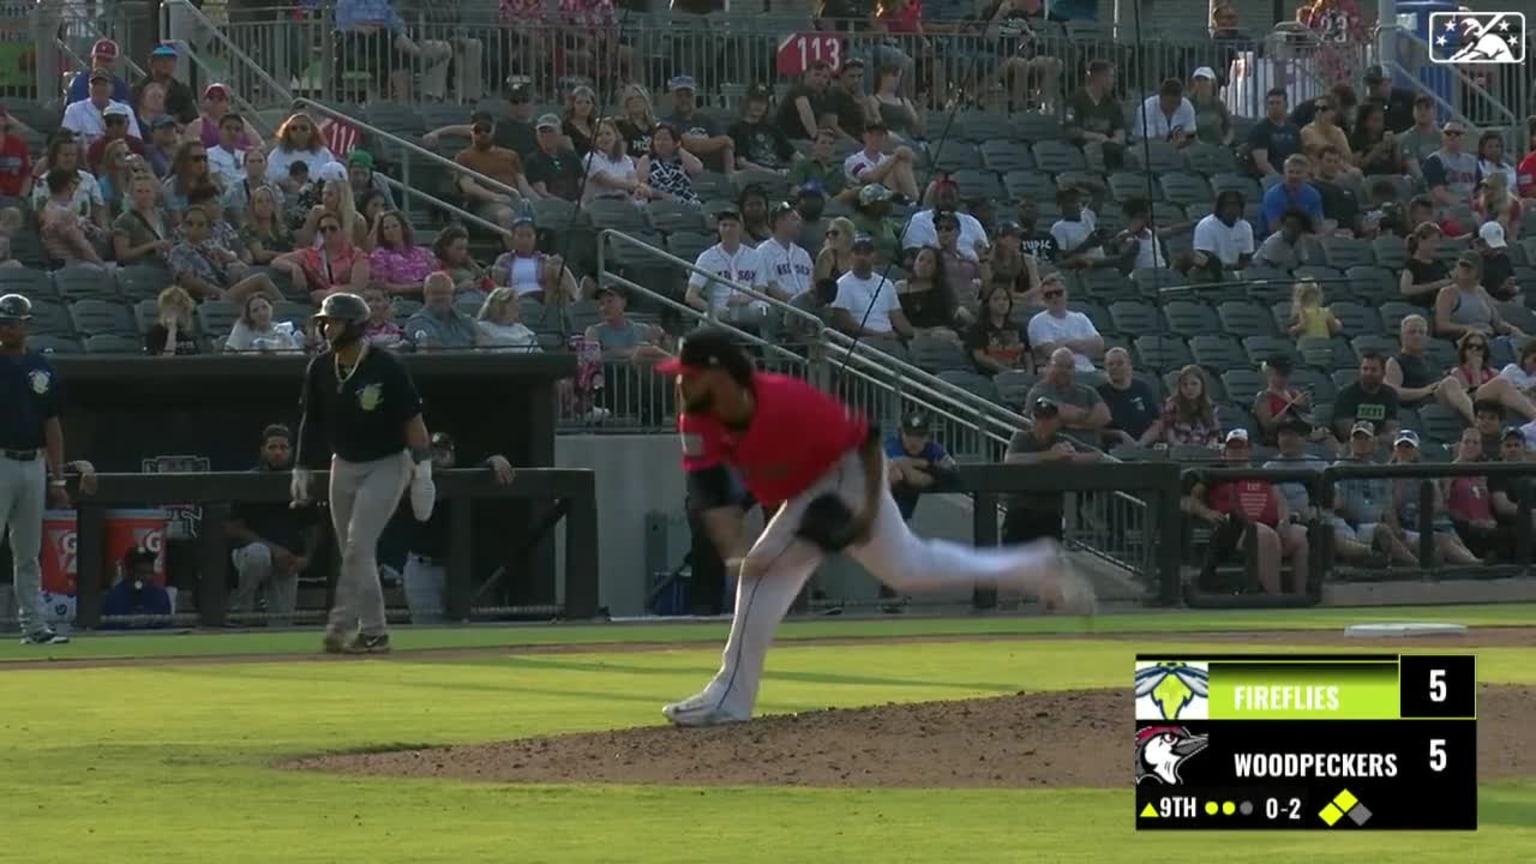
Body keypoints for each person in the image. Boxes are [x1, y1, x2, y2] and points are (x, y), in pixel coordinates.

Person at [658, 330, 1094, 726]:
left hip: (849, 470)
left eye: (690, 375)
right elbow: (709, 491)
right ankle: (1033, 565)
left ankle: (730, 698)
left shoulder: (785, 400)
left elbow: (865, 442)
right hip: (806, 487)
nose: (681, 384)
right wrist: (734, 551)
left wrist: (863, 516)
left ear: (721, 376)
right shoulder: (695, 419)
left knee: (765, 575)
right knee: (909, 568)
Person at [291, 293, 435, 655]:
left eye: (334, 321)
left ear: (353, 325)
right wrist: (302, 465)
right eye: (324, 321)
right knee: (355, 551)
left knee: (358, 543)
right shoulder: (321, 367)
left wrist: (424, 471)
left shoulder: (386, 366)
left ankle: (341, 624)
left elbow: (413, 421)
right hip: (345, 461)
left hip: (387, 461)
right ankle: (374, 633)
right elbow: (312, 421)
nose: (326, 328)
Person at [0, 294, 73, 645]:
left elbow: (52, 424)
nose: (11, 327)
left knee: (28, 553)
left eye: (16, 321)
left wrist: (58, 477)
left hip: (32, 463)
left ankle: (34, 627)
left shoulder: (41, 366)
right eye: (6, 322)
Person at [390, 432, 515, 625]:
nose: (440, 455)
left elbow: (488, 466)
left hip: (467, 568)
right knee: (428, 635)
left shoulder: (469, 477)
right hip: (424, 568)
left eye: (444, 450)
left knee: (480, 634)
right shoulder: (411, 477)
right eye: (434, 451)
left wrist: (494, 459)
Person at [228, 424, 321, 626]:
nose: (278, 452)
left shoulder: (301, 481)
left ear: (291, 451)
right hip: (250, 553)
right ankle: (242, 609)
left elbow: (312, 526)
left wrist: (306, 557)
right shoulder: (249, 480)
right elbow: (234, 528)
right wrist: (275, 550)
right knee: (258, 555)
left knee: (282, 624)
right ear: (263, 450)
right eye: (272, 447)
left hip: (287, 560)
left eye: (283, 447)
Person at [99, 547, 174, 630]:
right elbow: (109, 630)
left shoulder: (160, 596)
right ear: (129, 572)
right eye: (140, 572)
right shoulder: (114, 597)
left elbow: (165, 629)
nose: (145, 577)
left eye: (149, 572)